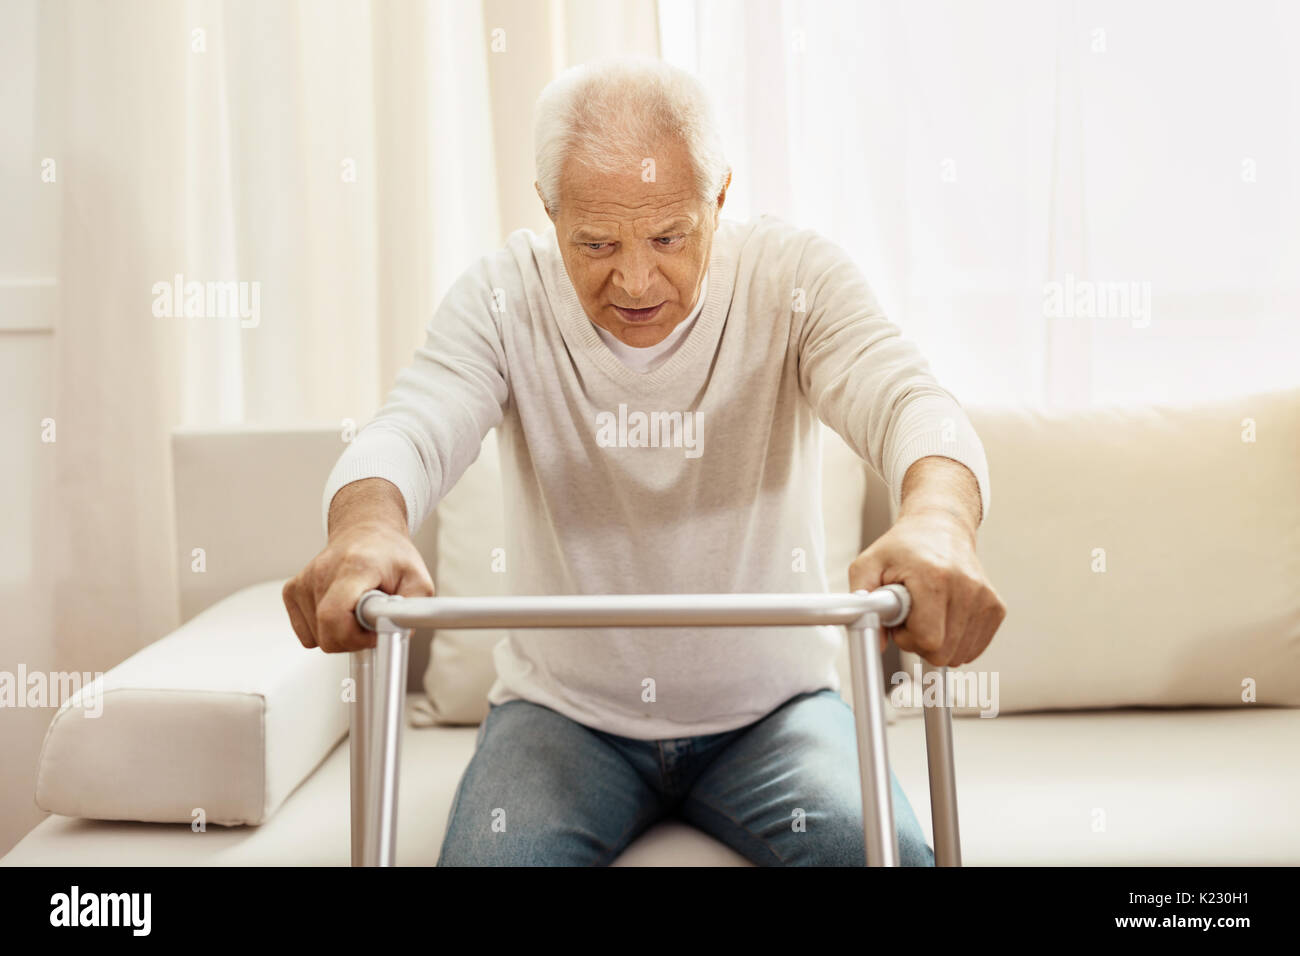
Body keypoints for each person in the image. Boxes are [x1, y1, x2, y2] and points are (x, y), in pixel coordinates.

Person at [282, 55, 1006, 866]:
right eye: (594, 242)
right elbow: (412, 425)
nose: (633, 278)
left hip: (779, 711)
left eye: (668, 236)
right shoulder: (504, 297)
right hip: (563, 718)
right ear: (547, 212)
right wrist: (366, 524)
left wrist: (940, 520)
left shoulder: (793, 279)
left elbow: (909, 400)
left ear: (719, 196)